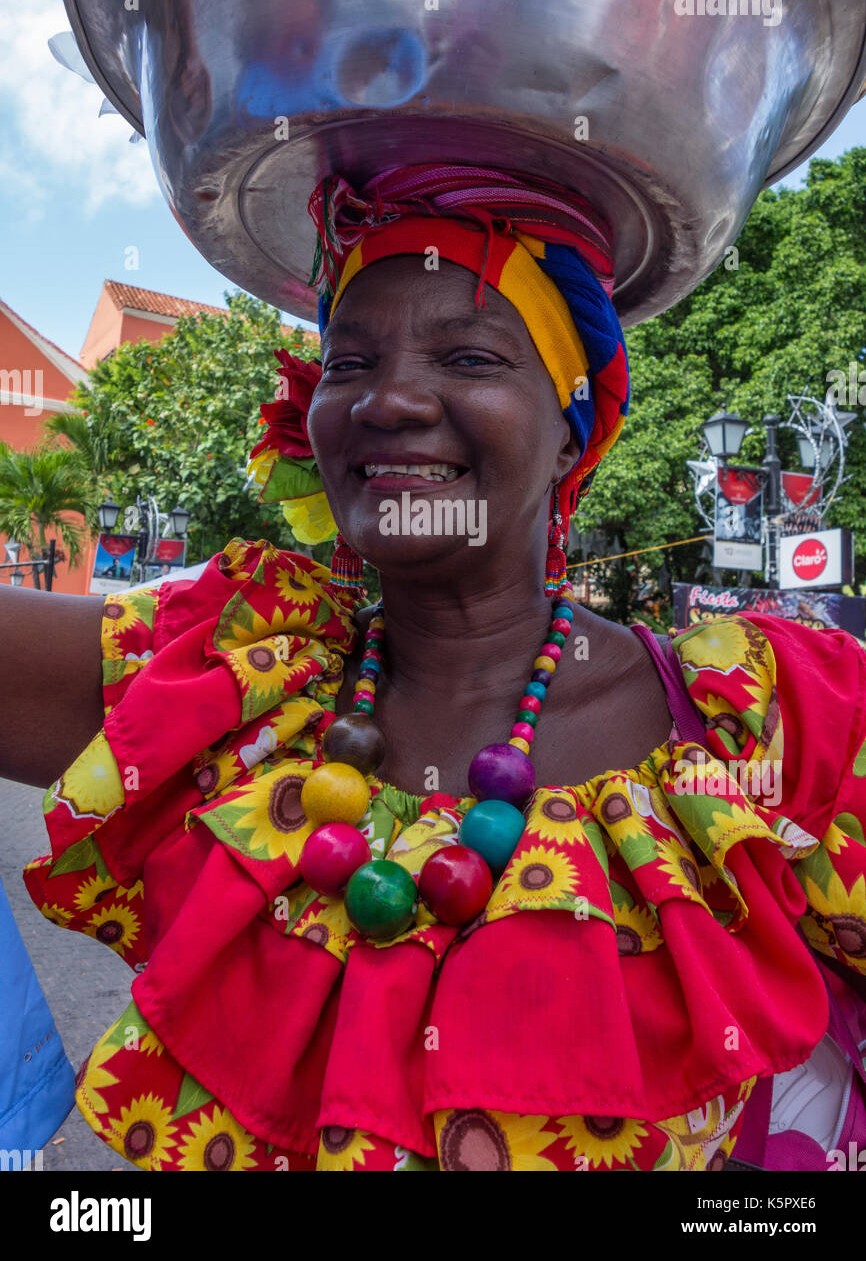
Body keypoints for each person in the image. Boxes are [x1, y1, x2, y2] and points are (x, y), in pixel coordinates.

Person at [5, 163, 866, 1172]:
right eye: (348, 361)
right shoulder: (231, 688)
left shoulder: (779, 720)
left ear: (567, 431)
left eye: (465, 355)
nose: (390, 399)